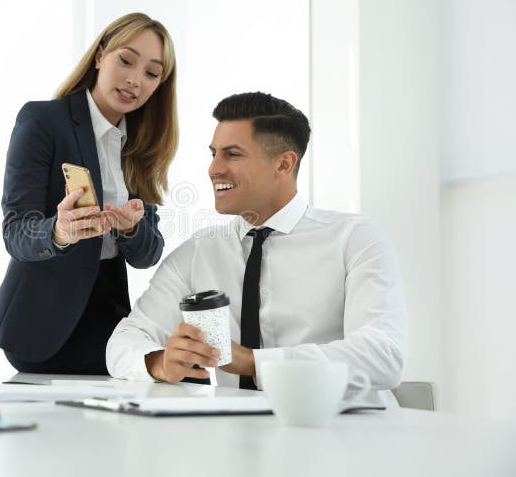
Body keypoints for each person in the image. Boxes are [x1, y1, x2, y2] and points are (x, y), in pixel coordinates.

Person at [106, 92, 407, 405]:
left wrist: (255, 362)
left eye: (232, 154)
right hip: (240, 439)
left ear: (283, 163)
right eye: (213, 154)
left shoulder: (356, 239)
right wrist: (159, 362)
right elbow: (122, 343)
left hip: (351, 435)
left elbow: (384, 355)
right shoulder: (199, 252)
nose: (214, 169)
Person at [0, 13, 178, 375]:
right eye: (126, 60)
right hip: (43, 324)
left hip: (112, 322)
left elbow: (149, 254)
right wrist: (58, 232)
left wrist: (132, 229)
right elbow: (16, 233)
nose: (135, 80)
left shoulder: (142, 143)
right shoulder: (43, 122)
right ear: (100, 56)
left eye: (152, 73)